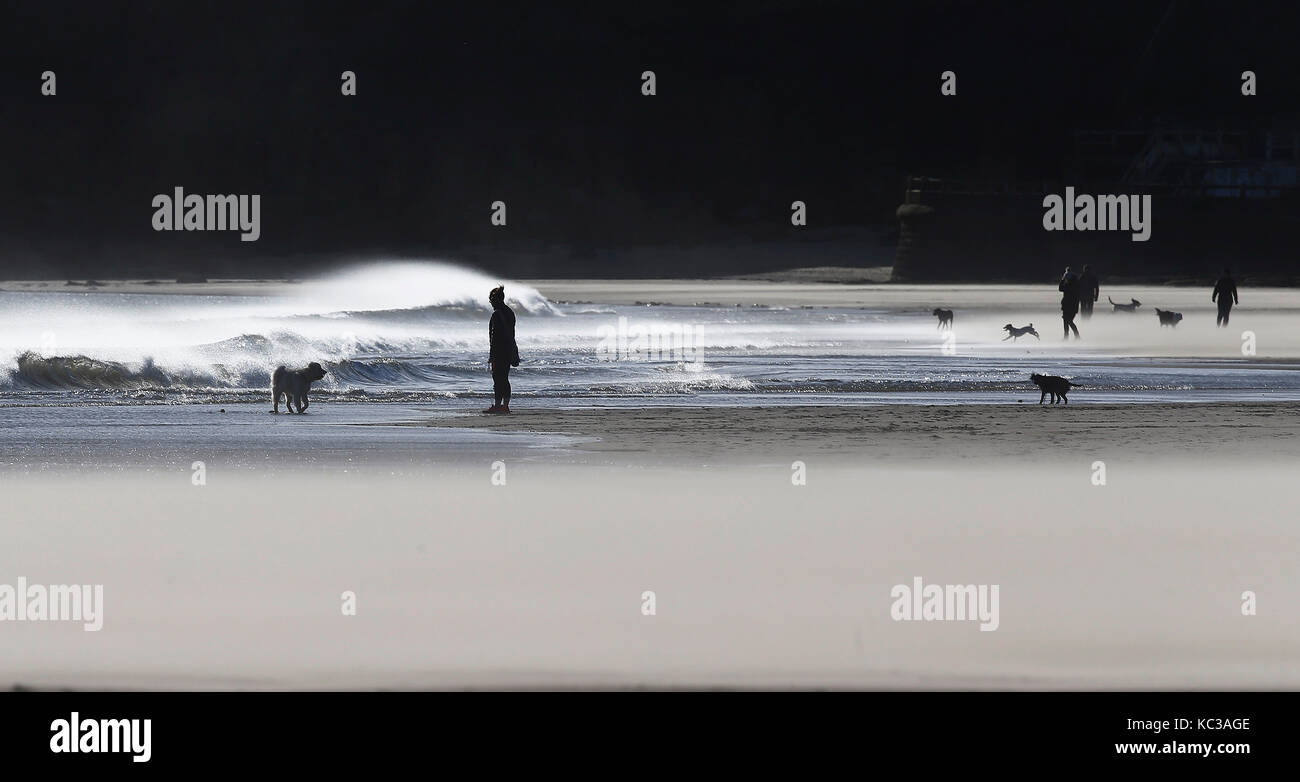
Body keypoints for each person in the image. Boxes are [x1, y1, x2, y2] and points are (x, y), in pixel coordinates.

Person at [485, 285, 520, 413]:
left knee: (497, 379)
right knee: (505, 378)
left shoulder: (496, 315)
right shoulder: (510, 312)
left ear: (495, 300)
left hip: (499, 351)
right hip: (509, 349)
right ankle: (505, 406)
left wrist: (491, 355)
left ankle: (498, 406)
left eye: (491, 300)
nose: (491, 303)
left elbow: (494, 337)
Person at [1058, 267, 1081, 339]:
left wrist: (1063, 279)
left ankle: (1074, 335)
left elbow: (1060, 288)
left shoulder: (1069, 284)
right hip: (1071, 305)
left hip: (1069, 304)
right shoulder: (1076, 283)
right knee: (1067, 320)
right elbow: (1061, 289)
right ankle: (1069, 336)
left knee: (1067, 320)